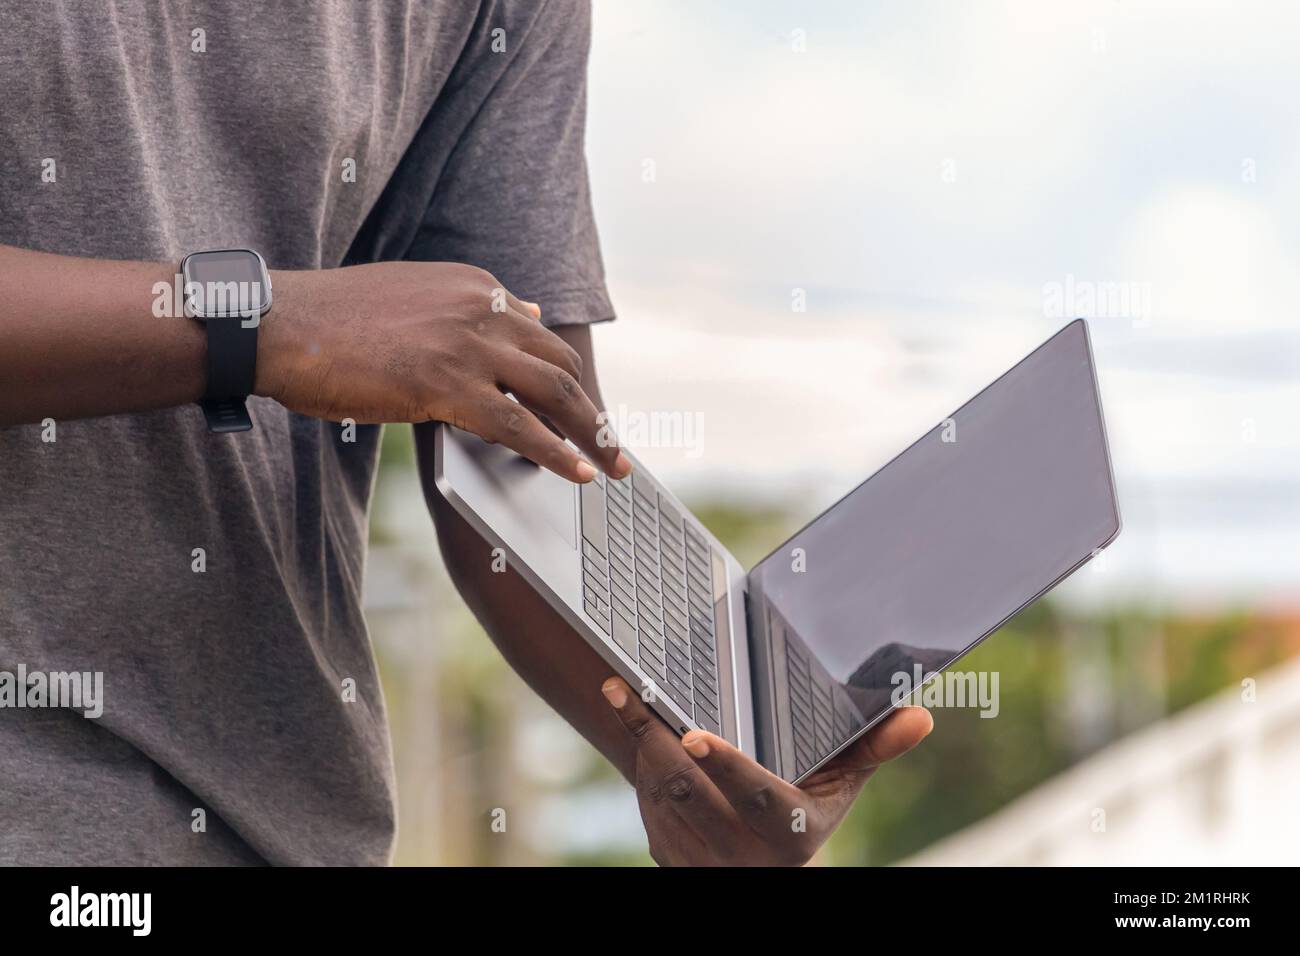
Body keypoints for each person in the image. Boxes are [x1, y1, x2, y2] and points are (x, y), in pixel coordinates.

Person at [0, 0, 930, 866]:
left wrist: (713, 734)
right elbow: (341, 334)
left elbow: (528, 426)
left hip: (269, 825)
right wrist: (271, 327)